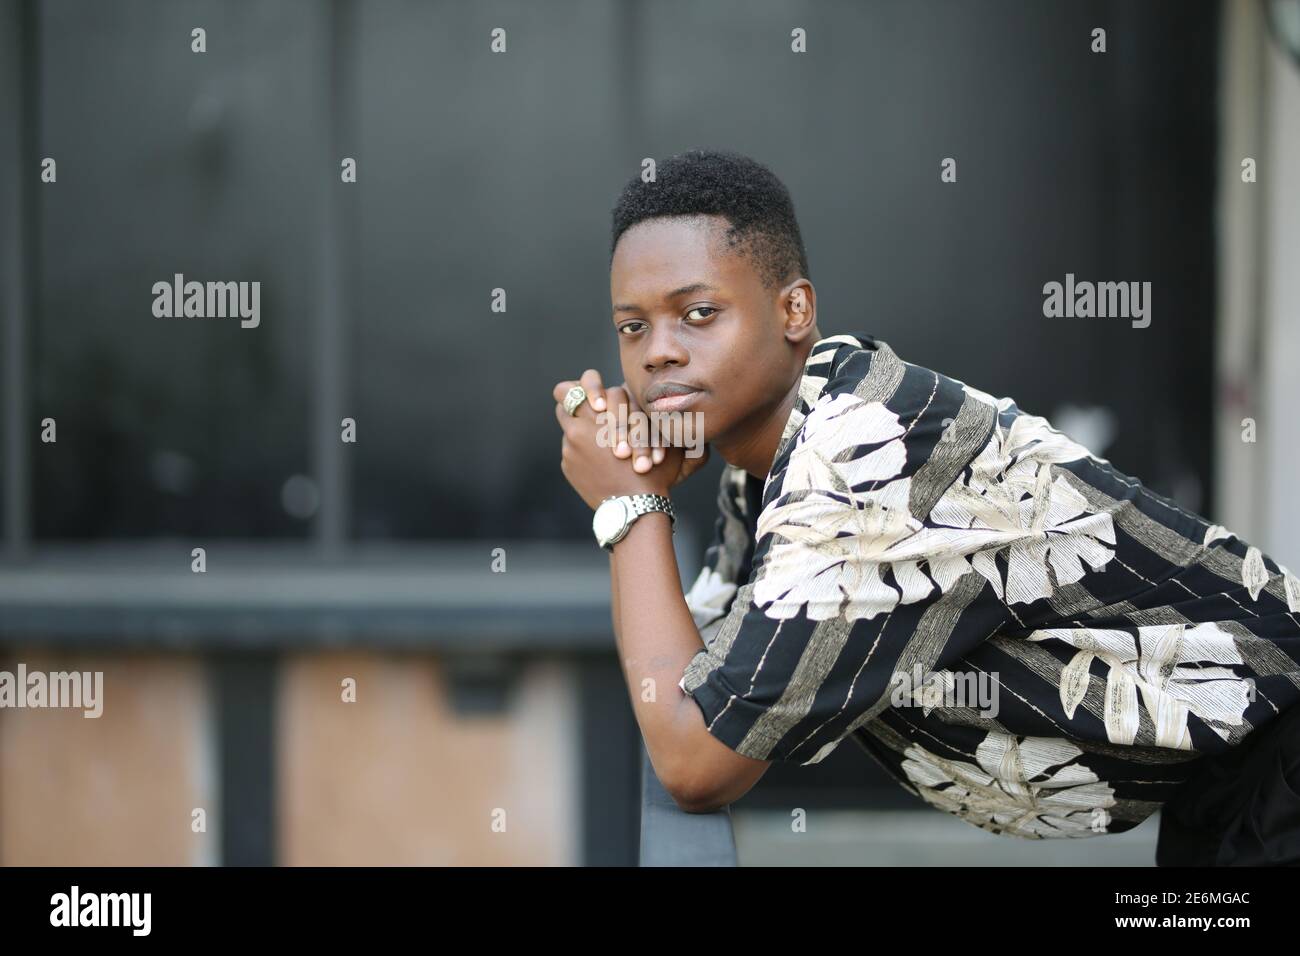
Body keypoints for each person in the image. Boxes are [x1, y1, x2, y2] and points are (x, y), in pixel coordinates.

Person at [551, 147, 1300, 864]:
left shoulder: (857, 455)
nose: (658, 353)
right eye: (632, 326)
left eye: (700, 313)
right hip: (1234, 790)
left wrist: (631, 506)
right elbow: (707, 684)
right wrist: (646, 485)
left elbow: (697, 756)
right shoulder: (776, 458)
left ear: (794, 310)